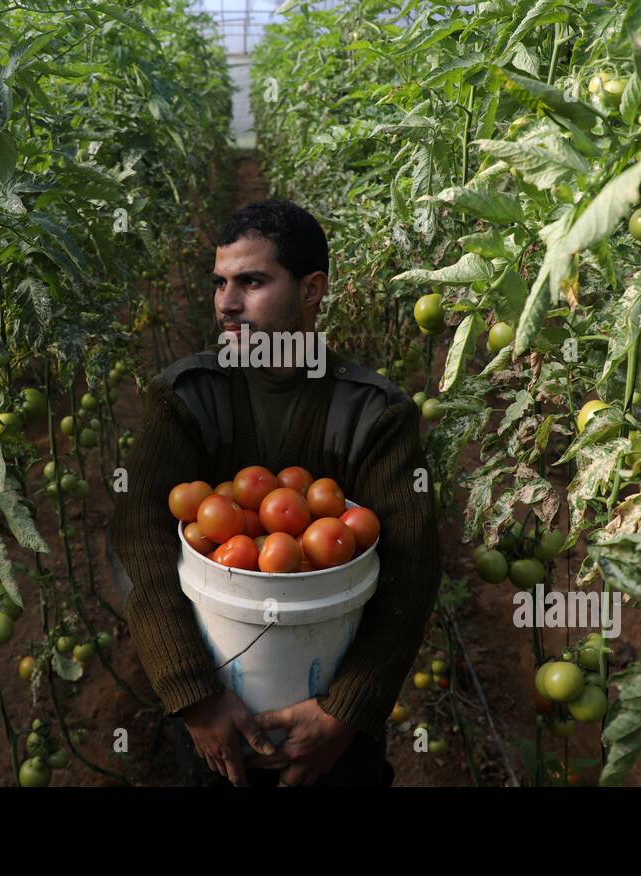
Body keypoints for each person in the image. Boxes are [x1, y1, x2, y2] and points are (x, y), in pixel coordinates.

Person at [108, 198, 441, 787]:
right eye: (220, 283)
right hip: (217, 696)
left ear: (311, 289)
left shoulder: (374, 414)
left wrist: (346, 711)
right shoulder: (185, 397)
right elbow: (139, 538)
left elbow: (410, 570)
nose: (226, 302)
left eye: (252, 282)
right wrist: (194, 695)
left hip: (333, 704)